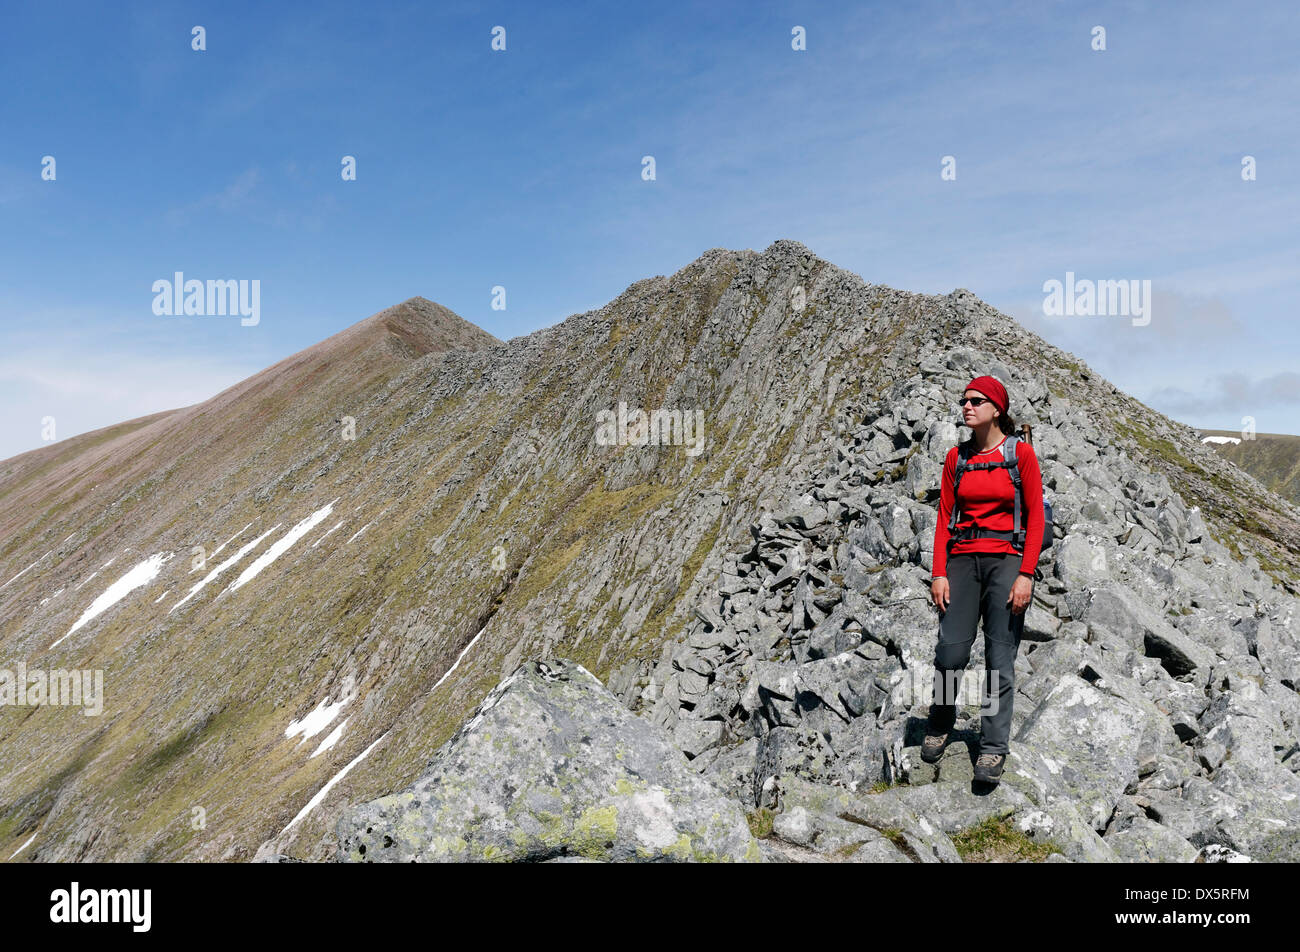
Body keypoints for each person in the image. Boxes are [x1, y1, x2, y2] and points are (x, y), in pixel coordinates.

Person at [922, 375, 1044, 785]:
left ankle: (992, 749)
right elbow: (943, 519)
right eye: (964, 400)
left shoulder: (1021, 455)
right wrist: (938, 571)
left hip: (1006, 561)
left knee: (999, 658)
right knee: (950, 652)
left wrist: (1026, 574)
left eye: (976, 401)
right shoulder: (956, 459)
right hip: (962, 562)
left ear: (997, 410)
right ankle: (940, 721)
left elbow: (1037, 516)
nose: (967, 406)